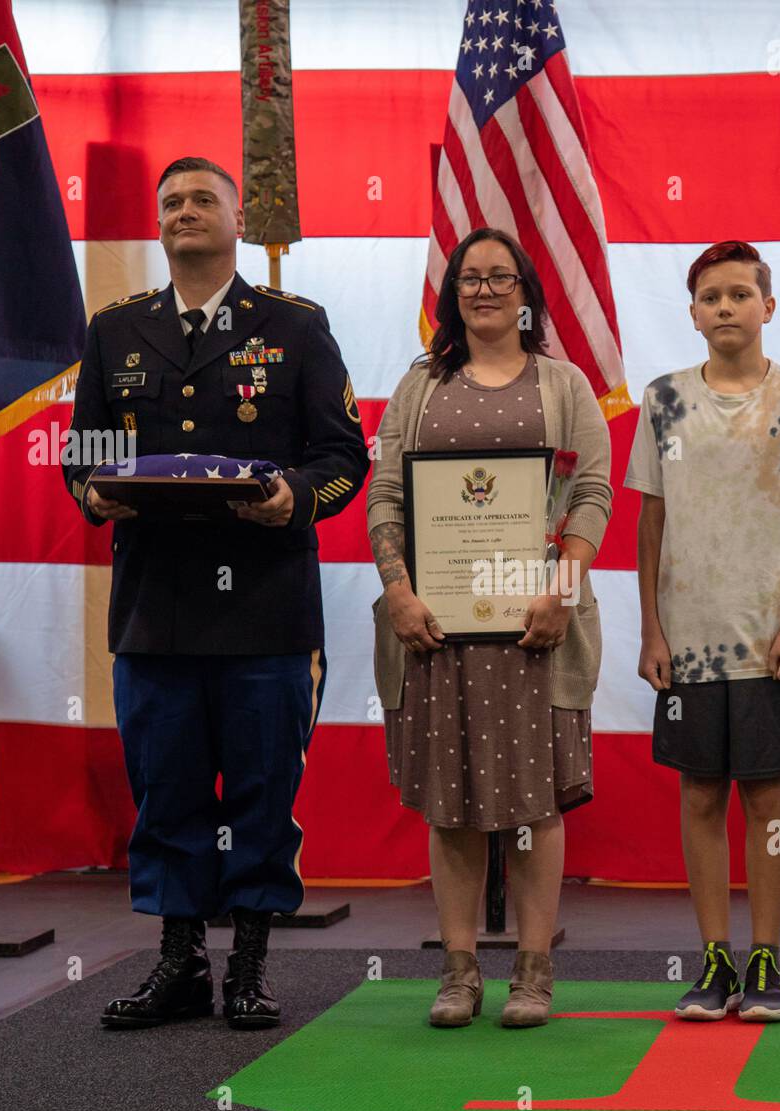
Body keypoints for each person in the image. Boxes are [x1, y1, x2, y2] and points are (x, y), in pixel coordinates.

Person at [63, 156, 369, 1030]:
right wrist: (93, 494)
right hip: (155, 606)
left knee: (262, 792)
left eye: (203, 199)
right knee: (167, 790)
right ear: (158, 225)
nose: (185, 211)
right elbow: (82, 456)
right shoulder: (114, 332)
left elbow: (345, 458)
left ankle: (251, 965)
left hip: (264, 606)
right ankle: (181, 962)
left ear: (239, 218)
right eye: (171, 202)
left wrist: (293, 499)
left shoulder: (295, 327)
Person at [367, 227, 612, 1028]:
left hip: (534, 627)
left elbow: (592, 495)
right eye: (469, 278)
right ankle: (461, 973)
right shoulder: (418, 388)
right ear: (452, 295)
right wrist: (399, 594)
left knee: (537, 805)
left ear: (526, 292)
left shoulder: (566, 385)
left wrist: (560, 591)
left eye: (500, 277)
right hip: (437, 629)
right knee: (452, 803)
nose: (483, 290)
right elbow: (386, 500)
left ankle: (534, 975)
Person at [626, 241, 780, 1022]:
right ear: (692, 313)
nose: (725, 307)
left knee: (767, 799)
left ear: (769, 306)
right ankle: (713, 958)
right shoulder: (661, 402)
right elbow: (649, 522)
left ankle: (766, 960)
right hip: (688, 641)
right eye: (710, 296)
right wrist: (651, 629)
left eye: (739, 294)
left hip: (768, 639)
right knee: (699, 796)